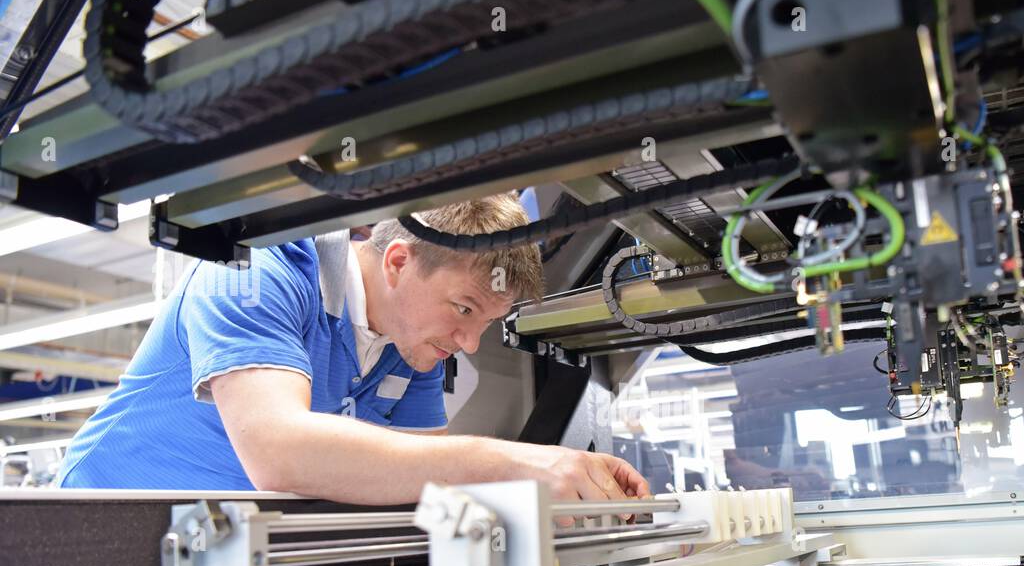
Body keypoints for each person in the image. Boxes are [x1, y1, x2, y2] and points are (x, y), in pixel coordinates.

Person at [56, 193, 650, 507]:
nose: (468, 343)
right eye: (465, 309)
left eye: (486, 325)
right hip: (101, 538)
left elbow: (423, 478)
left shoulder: (411, 347)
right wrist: (515, 462)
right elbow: (279, 452)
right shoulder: (260, 266)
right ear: (398, 262)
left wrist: (570, 484)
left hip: (216, 552)